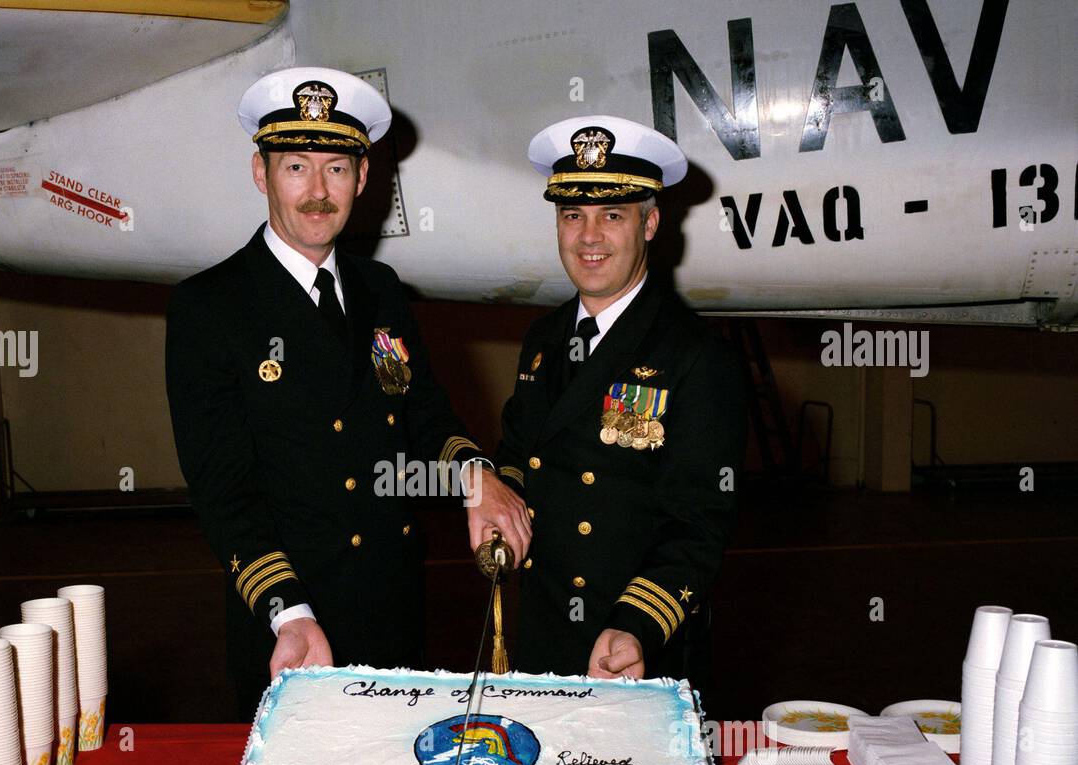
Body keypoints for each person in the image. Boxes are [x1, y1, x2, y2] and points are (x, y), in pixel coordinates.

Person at [165, 67, 529, 718]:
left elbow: (422, 415)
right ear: (261, 173)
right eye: (296, 166)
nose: (316, 191)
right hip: (291, 630)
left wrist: (477, 476)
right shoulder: (210, 309)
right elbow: (225, 494)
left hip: (394, 623)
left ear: (363, 180)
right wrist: (290, 611)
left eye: (336, 168)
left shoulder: (382, 291)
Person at [494, 115, 746, 687]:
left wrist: (635, 625)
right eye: (572, 215)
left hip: (630, 647)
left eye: (612, 216)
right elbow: (518, 451)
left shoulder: (696, 355)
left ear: (651, 223)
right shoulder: (543, 338)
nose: (589, 237)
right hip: (540, 633)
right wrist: (496, 498)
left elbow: (699, 522)